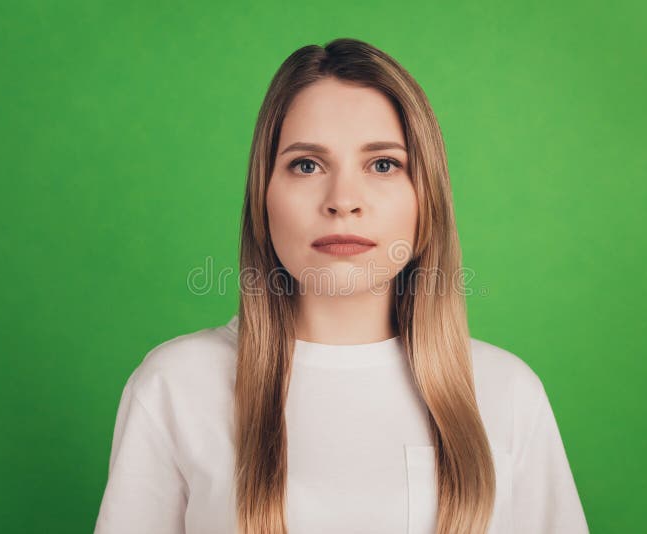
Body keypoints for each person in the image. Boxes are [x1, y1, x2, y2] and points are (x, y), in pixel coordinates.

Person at [93, 37, 589, 534]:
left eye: (383, 164)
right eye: (307, 165)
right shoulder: (175, 386)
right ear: (263, 197)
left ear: (427, 198)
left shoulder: (505, 392)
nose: (343, 200)